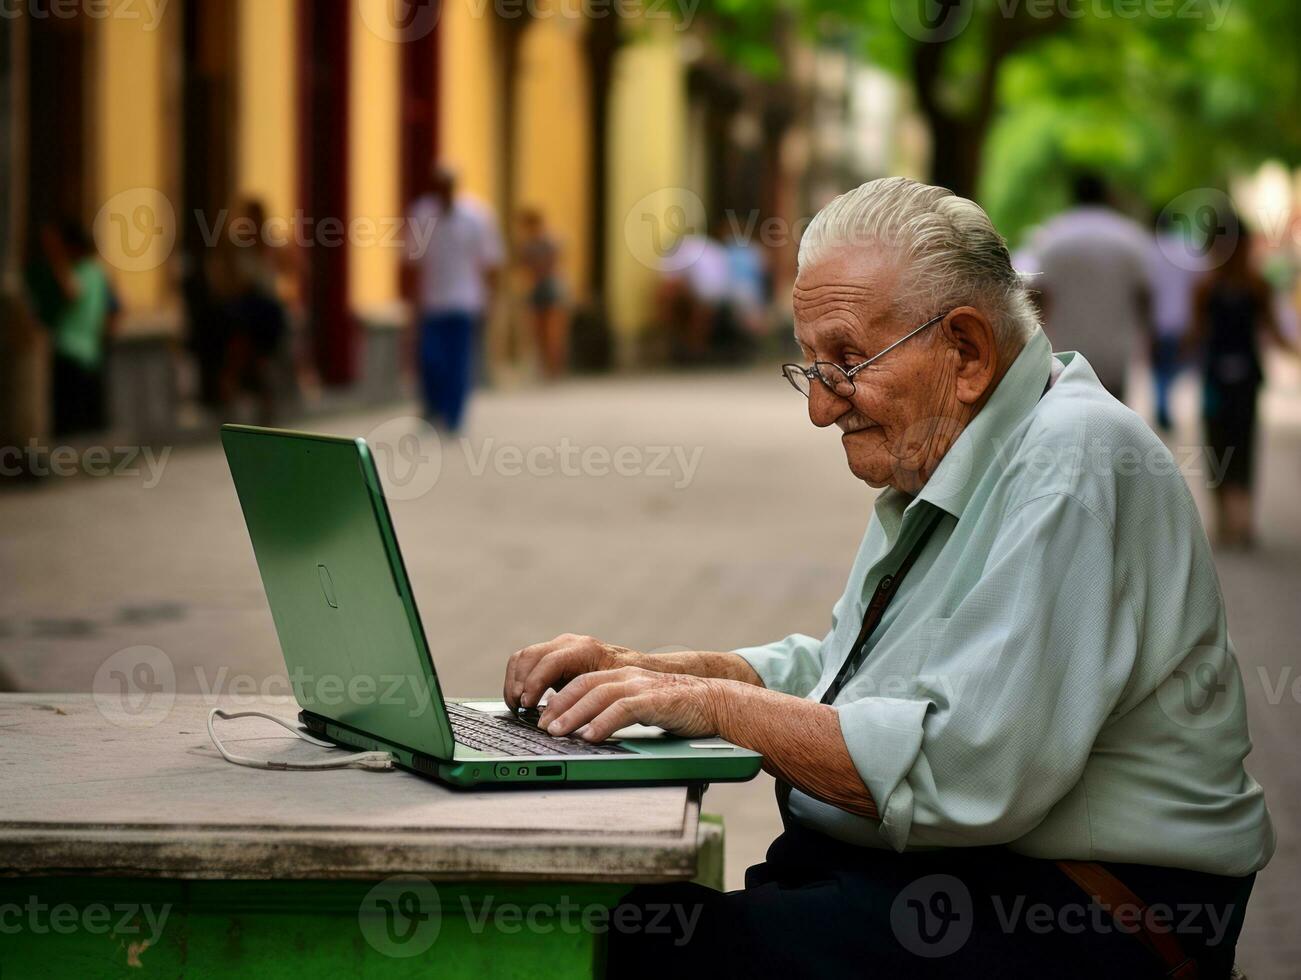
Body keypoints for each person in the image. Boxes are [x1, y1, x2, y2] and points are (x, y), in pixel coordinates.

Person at [501, 178, 1273, 978]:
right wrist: (658, 672)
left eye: (845, 362)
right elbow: (849, 673)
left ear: (966, 352)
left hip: (1094, 909)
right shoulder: (953, 450)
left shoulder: (1069, 462)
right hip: (984, 871)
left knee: (670, 944)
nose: (819, 409)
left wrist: (721, 708)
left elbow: (963, 775)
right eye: (810, 369)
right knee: (654, 919)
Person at [1187, 210, 1300, 549]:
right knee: (1233, 443)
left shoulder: (1217, 287)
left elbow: (1197, 334)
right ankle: (1235, 519)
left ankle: (1232, 520)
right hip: (1235, 378)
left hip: (1228, 380)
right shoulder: (1233, 287)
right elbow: (1274, 332)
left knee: (1225, 444)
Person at [1028, 174, 1154, 401]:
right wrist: (1146, 336)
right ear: (1107, 196)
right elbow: (1143, 295)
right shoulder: (1128, 236)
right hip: (1114, 352)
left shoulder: (1052, 237)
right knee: (1113, 417)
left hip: (1064, 352)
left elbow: (1038, 297)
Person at [406, 164, 503, 432]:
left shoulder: (477, 216)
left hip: (464, 301)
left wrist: (491, 299)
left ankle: (454, 416)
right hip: (432, 302)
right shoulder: (422, 213)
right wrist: (412, 302)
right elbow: (412, 261)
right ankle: (433, 406)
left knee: (458, 362)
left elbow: (490, 261)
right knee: (430, 359)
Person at [33, 220, 116, 437]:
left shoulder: (82, 271)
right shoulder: (99, 273)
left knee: (69, 421)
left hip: (70, 351)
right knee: (83, 423)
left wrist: (55, 257)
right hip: (89, 352)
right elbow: (114, 310)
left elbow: (71, 292)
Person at [1148, 211, 1204, 431]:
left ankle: (1162, 405)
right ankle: (1166, 405)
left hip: (1158, 321)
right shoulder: (1189, 250)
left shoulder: (1148, 250)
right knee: (1176, 367)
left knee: (1160, 368)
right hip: (1183, 320)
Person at [515, 208, 568, 380]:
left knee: (552, 330)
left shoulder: (549, 241)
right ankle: (544, 366)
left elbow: (553, 264)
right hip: (536, 288)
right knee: (538, 330)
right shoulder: (528, 245)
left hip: (549, 287)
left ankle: (554, 368)